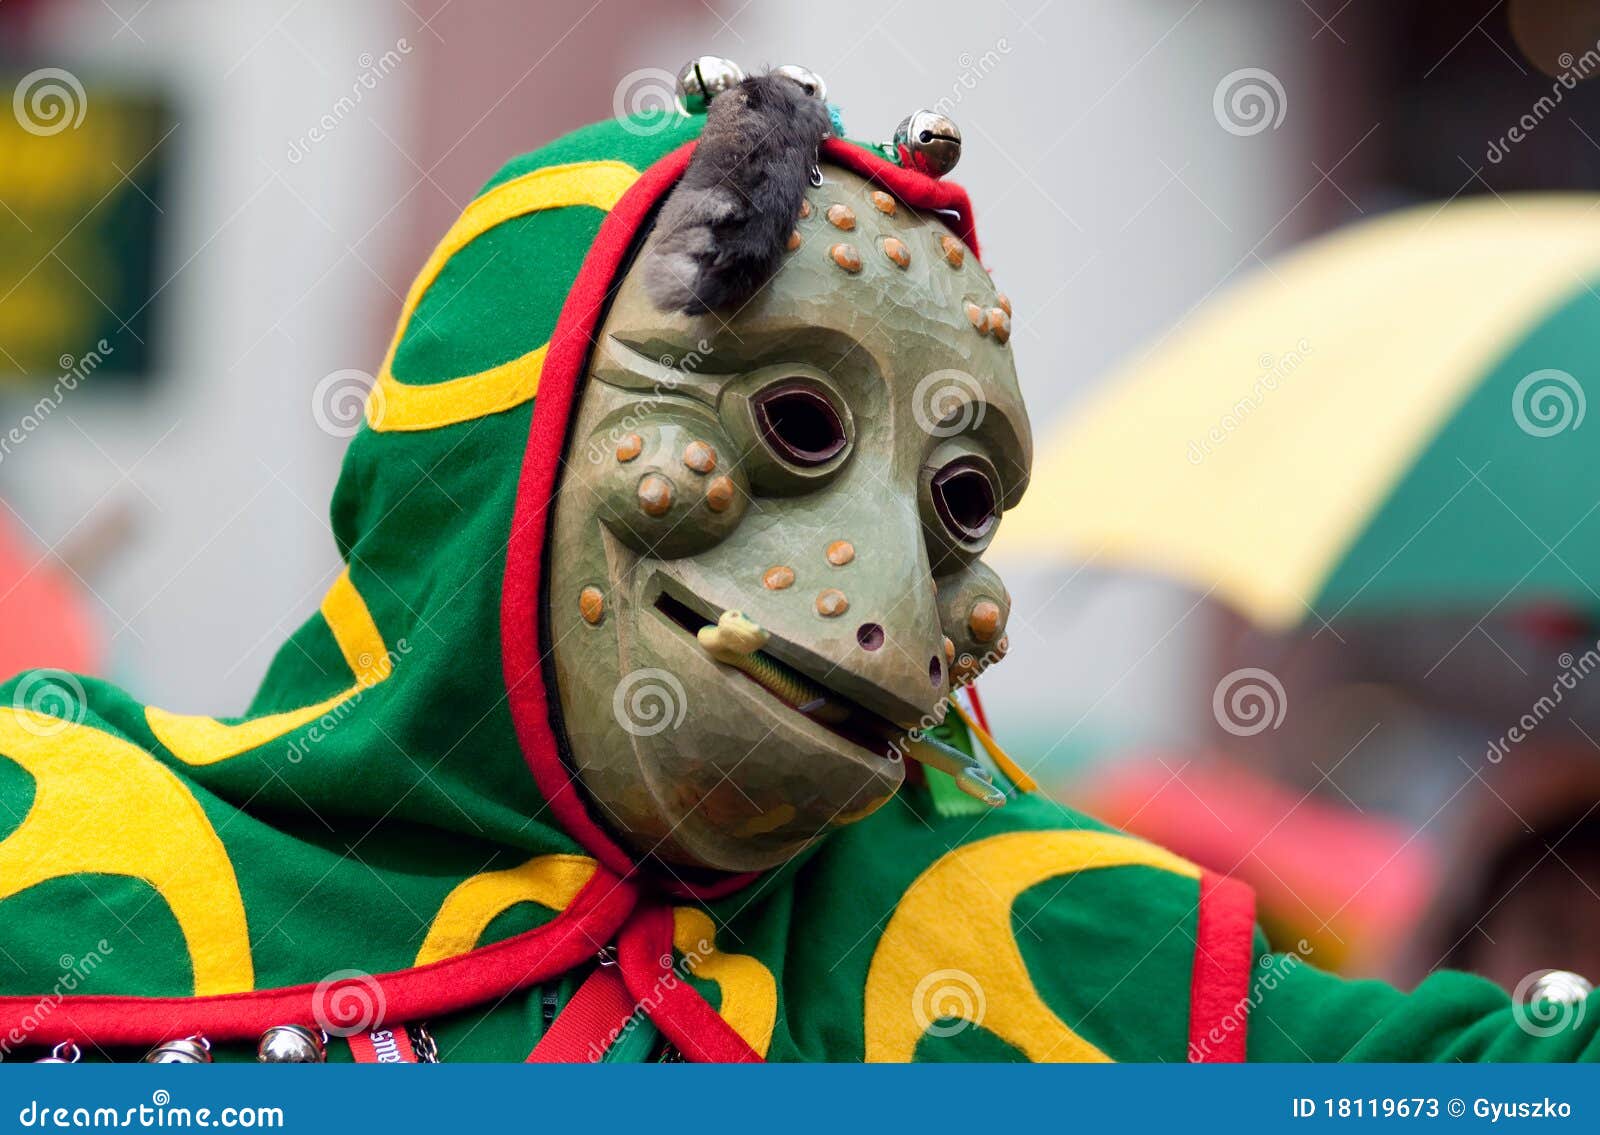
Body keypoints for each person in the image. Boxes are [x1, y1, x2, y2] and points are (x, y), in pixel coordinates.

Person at [0, 61, 1594, 1063]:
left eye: (961, 503)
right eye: (796, 424)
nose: (898, 601)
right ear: (503, 441)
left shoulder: (1043, 944)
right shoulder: (59, 855)